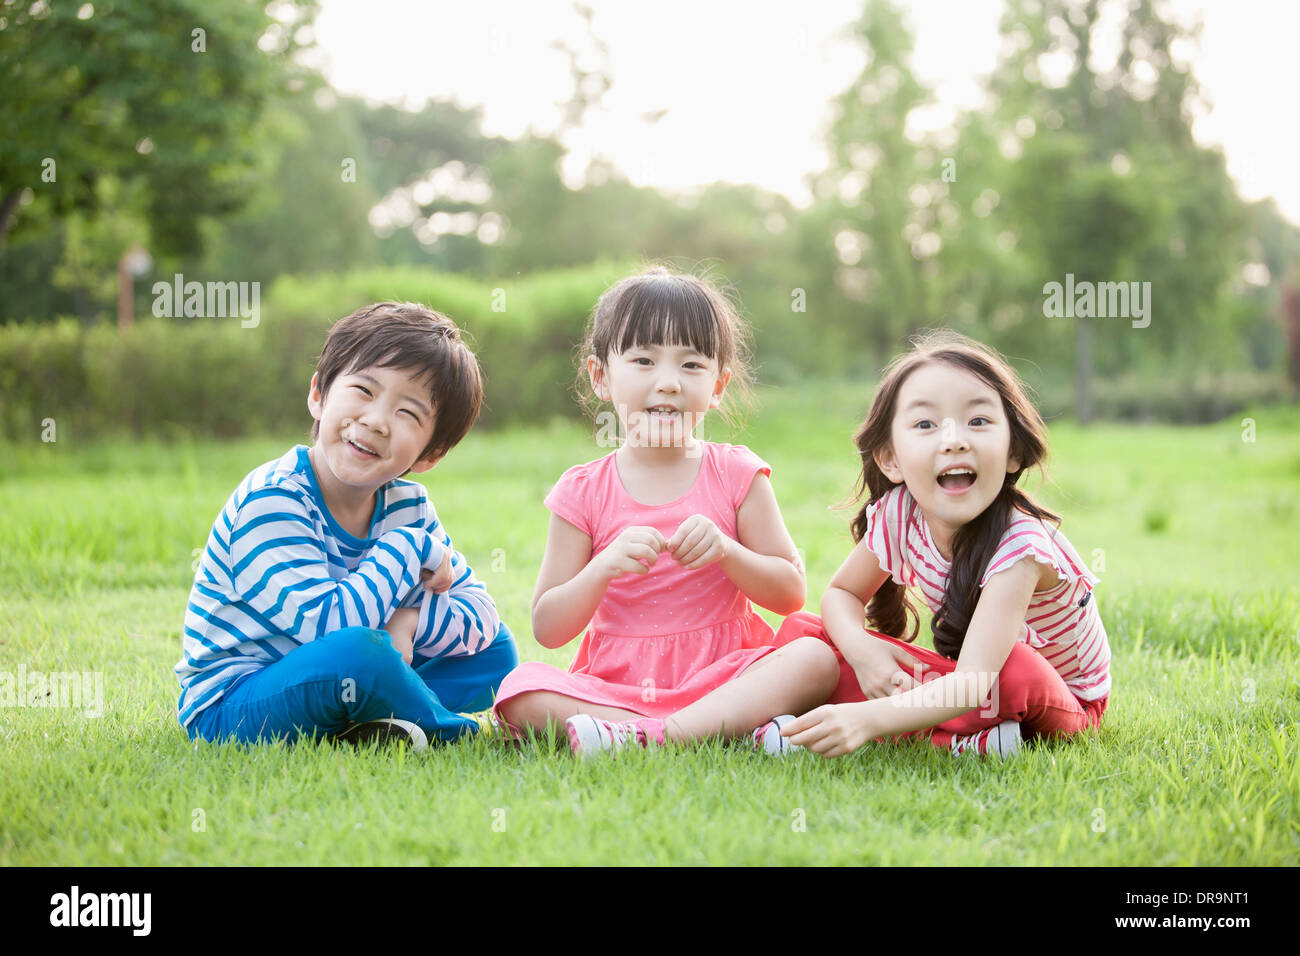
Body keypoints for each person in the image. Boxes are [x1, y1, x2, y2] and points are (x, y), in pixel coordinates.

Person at [493, 267, 839, 757]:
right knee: (519, 691)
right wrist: (603, 567)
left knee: (815, 658)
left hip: (726, 674)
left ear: (718, 385)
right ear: (600, 377)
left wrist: (727, 551)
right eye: (643, 360)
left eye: (691, 365)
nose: (668, 382)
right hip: (619, 687)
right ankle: (730, 729)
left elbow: (788, 593)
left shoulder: (737, 474)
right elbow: (548, 629)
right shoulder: (583, 490)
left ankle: (654, 737)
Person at [175, 302, 518, 751]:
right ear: (319, 395)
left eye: (407, 413)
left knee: (495, 650)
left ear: (429, 455)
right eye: (363, 390)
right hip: (235, 704)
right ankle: (452, 733)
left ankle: (377, 725)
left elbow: (480, 613)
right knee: (359, 654)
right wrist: (406, 550)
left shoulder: (407, 505)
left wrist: (409, 621)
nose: (375, 421)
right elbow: (328, 630)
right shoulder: (272, 499)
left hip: (344, 673)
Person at [776, 330, 1110, 758]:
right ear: (891, 459)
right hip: (964, 681)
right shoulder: (902, 513)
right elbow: (842, 594)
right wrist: (862, 652)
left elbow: (973, 681)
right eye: (925, 424)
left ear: (1012, 452)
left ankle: (913, 732)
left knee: (1012, 669)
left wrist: (868, 718)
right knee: (808, 632)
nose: (954, 439)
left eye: (978, 421)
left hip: (1056, 701)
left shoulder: (1020, 549)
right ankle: (971, 739)